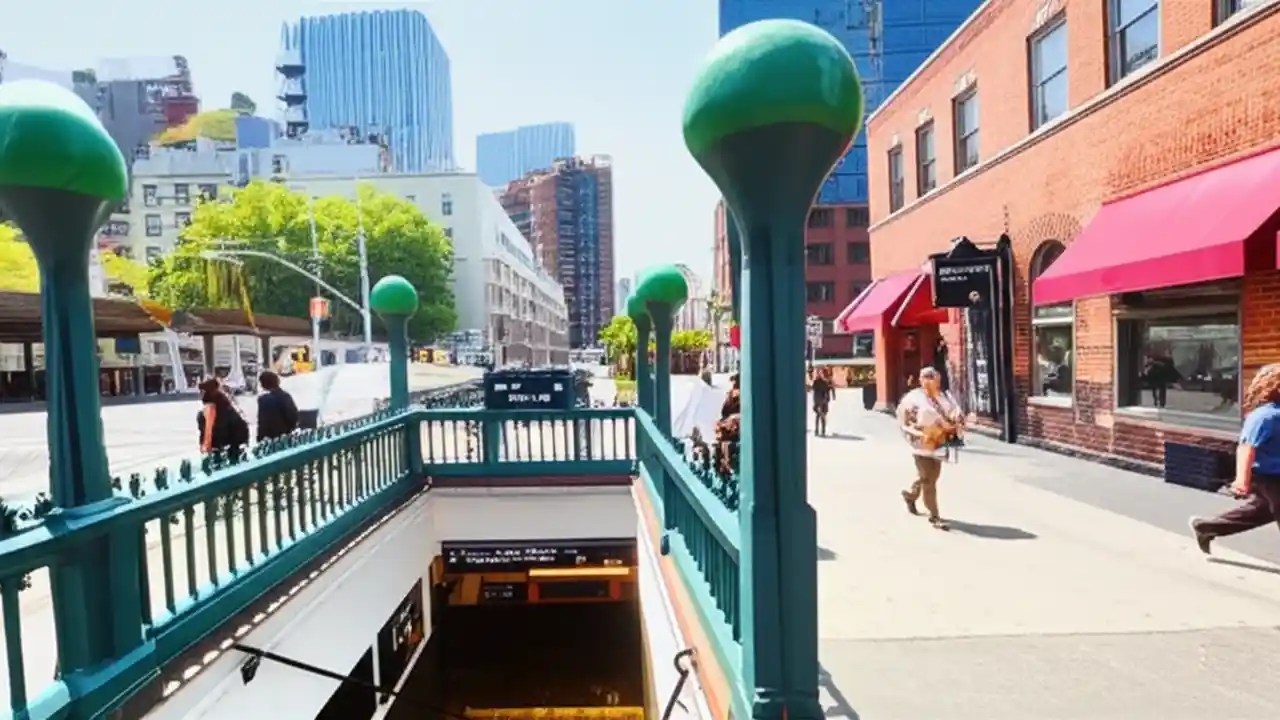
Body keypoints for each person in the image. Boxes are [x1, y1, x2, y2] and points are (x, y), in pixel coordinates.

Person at [1189, 363, 1280, 553]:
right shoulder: (1266, 416)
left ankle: (1207, 528)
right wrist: (1241, 481)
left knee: (1261, 511)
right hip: (1268, 476)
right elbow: (1246, 448)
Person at [897, 367, 964, 530]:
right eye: (926, 378)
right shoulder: (913, 398)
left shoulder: (943, 397)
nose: (930, 381)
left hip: (939, 443)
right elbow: (905, 420)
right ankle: (934, 515)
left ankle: (911, 496)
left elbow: (953, 412)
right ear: (921, 380)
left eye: (933, 378)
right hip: (921, 445)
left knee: (931, 477)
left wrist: (956, 418)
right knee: (929, 479)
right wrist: (918, 433)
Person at [196, 378, 250, 461]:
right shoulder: (228, 408)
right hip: (233, 452)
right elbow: (243, 429)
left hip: (216, 452)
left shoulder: (205, 413)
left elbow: (205, 434)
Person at [255, 370, 298, 442]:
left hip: (269, 439)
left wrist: (260, 438)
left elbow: (262, 422)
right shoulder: (285, 396)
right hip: (286, 436)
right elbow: (293, 416)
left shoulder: (263, 400)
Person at [811, 367, 835, 437]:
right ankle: (822, 431)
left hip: (818, 401)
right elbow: (828, 390)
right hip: (822, 401)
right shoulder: (824, 382)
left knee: (819, 416)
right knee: (822, 416)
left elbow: (813, 389)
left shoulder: (817, 382)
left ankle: (817, 431)